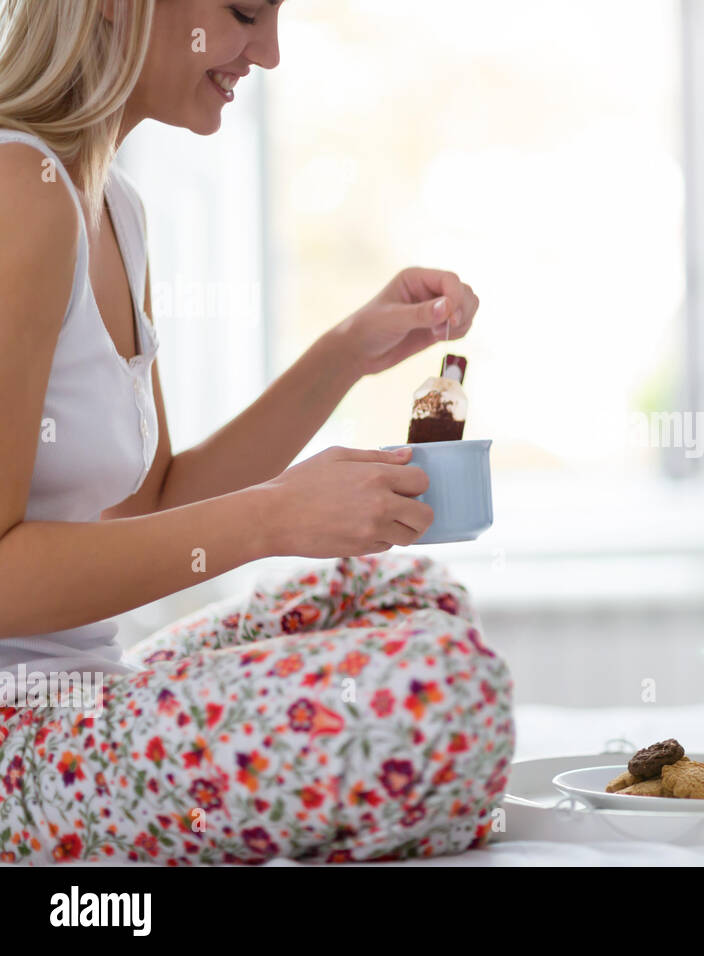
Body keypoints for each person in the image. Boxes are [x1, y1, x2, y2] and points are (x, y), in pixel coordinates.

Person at [0, 0, 512, 863]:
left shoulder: (113, 208)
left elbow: (146, 508)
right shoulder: (21, 196)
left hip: (86, 695)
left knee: (420, 603)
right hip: (21, 737)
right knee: (440, 691)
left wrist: (348, 352)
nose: (268, 54)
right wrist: (275, 517)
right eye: (245, 11)